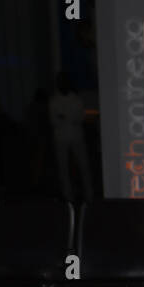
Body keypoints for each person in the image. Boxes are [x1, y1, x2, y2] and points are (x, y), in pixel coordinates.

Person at [48, 71, 94, 201]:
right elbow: (53, 120)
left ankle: (89, 193)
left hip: (76, 136)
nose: (62, 84)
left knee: (83, 165)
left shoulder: (76, 99)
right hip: (61, 138)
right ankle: (68, 195)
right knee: (63, 168)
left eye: (64, 82)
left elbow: (80, 117)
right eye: (60, 82)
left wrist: (64, 117)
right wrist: (68, 118)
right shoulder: (54, 101)